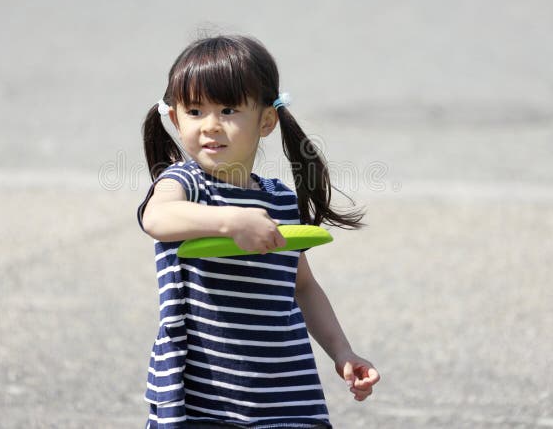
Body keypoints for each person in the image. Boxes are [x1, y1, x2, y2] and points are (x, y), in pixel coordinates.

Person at [138, 35, 380, 428]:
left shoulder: (280, 201)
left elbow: (302, 286)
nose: (210, 126)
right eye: (196, 111)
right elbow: (157, 218)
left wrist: (342, 352)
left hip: (286, 394)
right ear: (176, 119)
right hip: (204, 399)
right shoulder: (184, 182)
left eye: (229, 109)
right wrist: (231, 221)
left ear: (266, 120)